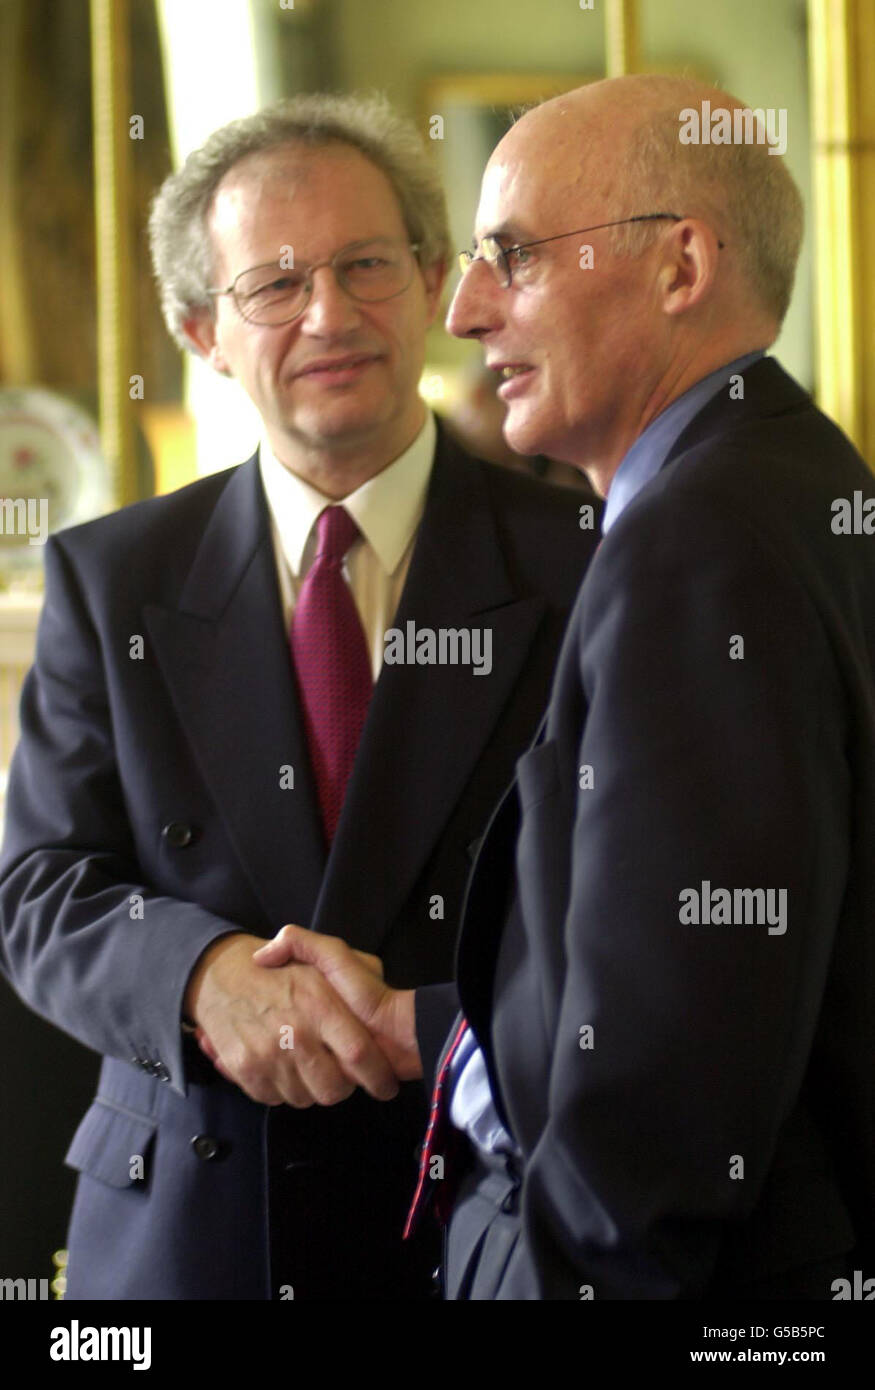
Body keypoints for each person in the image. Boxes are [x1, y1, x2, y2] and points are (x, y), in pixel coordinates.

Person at [263, 73, 875, 1299]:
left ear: (680, 265)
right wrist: (428, 1024)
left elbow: (667, 1093)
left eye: (512, 255)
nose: (466, 311)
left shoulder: (697, 539)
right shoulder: (782, 475)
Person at [0, 93, 597, 1300]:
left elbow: (622, 897)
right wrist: (196, 974)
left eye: (365, 265)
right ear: (197, 328)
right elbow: (36, 889)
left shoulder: (581, 560)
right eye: (272, 284)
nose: (330, 314)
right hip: (187, 1226)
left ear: (432, 277)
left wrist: (424, 1024)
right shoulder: (112, 576)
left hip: (476, 1204)